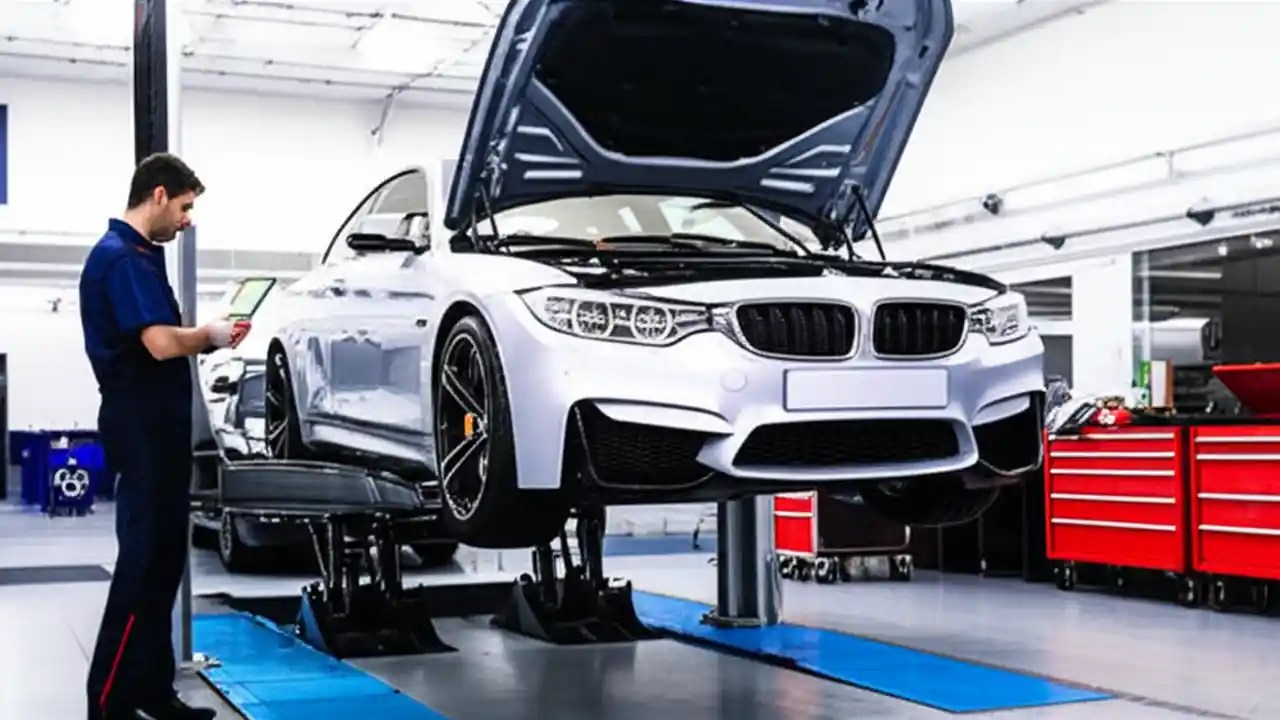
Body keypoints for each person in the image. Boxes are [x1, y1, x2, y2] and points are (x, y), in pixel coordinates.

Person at [79, 152, 249, 720]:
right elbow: (158, 343)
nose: (188, 218)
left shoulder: (142, 257)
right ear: (157, 195)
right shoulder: (120, 258)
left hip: (160, 430)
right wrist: (212, 335)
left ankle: (151, 691)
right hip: (143, 430)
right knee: (143, 568)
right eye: (184, 206)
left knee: (163, 567)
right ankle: (107, 703)